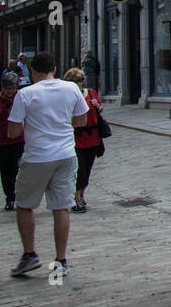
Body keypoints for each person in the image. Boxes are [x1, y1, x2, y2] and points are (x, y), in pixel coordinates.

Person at [6, 51, 89, 278]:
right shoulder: (71, 88)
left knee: (24, 204)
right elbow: (81, 120)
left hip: (37, 156)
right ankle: (61, 260)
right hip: (65, 154)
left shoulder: (26, 94)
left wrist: (31, 125)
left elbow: (12, 131)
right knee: (60, 207)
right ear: (54, 68)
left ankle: (30, 254)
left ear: (33, 71)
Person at [63, 68, 103, 214]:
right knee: (79, 169)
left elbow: (100, 109)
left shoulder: (91, 93)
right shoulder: (66, 97)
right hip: (75, 138)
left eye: (80, 81)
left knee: (88, 168)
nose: (78, 84)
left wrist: (97, 105)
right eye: (75, 81)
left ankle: (81, 194)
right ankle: (76, 198)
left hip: (92, 136)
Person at [0, 71, 24, 210]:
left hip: (19, 140)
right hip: (1, 141)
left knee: (16, 169)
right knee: (5, 171)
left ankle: (18, 195)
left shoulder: (21, 97)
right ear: (2, 87)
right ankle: (9, 197)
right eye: (8, 88)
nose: (10, 91)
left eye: (13, 88)